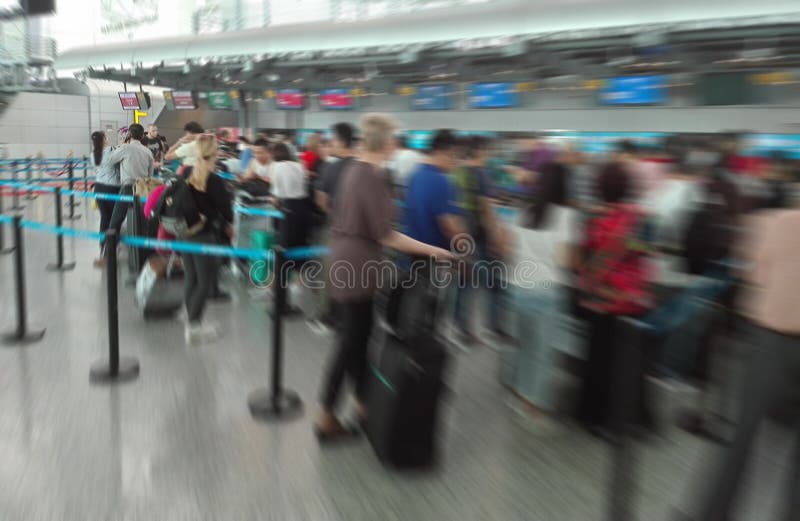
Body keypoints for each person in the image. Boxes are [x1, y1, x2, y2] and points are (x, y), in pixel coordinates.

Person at [315, 113, 453, 441]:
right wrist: (436, 251)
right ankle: (325, 418)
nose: (396, 143)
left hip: (347, 260)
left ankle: (363, 408)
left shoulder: (355, 170)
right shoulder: (371, 176)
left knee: (359, 341)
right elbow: (387, 235)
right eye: (394, 138)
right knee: (350, 344)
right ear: (385, 141)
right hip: (358, 268)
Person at [678, 204, 800, 521]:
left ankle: (712, 514)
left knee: (741, 441)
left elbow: (754, 273)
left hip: (772, 341)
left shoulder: (779, 221)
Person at [576, 162, 655, 436]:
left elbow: (582, 257)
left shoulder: (591, 220)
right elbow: (647, 254)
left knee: (599, 361)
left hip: (599, 300)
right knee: (632, 365)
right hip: (632, 300)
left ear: (599, 188)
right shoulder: (642, 217)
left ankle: (595, 419)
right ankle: (634, 419)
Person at [505, 160, 579, 420]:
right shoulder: (566, 216)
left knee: (524, 346)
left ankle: (521, 393)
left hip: (517, 288)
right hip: (546, 291)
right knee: (542, 352)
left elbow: (510, 249)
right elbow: (564, 261)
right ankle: (534, 405)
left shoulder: (525, 211)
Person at [451, 135, 510, 345]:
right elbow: (487, 210)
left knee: (464, 283)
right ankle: (494, 327)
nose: (489, 155)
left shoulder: (456, 171)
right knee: (494, 284)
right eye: (487, 151)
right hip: (481, 236)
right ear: (480, 151)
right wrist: (497, 240)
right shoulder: (482, 174)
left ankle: (461, 327)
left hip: (462, 235)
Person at [178, 135, 234, 345]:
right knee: (205, 281)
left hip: (184, 234)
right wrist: (228, 223)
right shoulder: (215, 180)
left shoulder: (186, 173)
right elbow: (227, 212)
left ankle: (189, 314)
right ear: (215, 153)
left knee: (191, 278)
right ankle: (194, 327)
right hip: (205, 236)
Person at [404, 129, 464, 252]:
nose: (456, 162)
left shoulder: (415, 173)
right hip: (435, 254)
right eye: (454, 156)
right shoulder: (441, 180)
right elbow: (449, 226)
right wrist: (465, 250)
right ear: (441, 152)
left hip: (413, 249)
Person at [104, 123, 154, 252]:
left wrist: (121, 146)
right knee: (143, 220)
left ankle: (110, 251)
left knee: (116, 219)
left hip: (128, 188)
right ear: (142, 135)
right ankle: (144, 250)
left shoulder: (125, 148)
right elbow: (150, 174)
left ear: (129, 134)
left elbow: (110, 160)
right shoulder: (148, 151)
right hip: (143, 189)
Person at [270, 142, 311, 249]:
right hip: (303, 206)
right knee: (300, 241)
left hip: (287, 208)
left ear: (274, 154)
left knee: (286, 245)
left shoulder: (276, 166)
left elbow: (276, 194)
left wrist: (273, 202)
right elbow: (305, 183)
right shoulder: (300, 165)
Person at [90, 130, 121, 267]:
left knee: (104, 217)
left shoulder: (92, 155)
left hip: (99, 188)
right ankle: (112, 247)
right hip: (112, 188)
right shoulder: (111, 151)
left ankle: (103, 246)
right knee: (114, 218)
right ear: (103, 139)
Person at [316, 123, 357, 215]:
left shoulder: (329, 167)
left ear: (341, 142)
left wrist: (333, 216)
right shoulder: (363, 167)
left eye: (333, 139)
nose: (331, 143)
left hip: (337, 223)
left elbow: (321, 201)